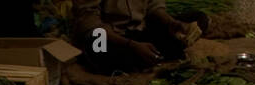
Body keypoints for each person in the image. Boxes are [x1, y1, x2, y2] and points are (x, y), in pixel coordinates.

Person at [71, 0, 204, 74]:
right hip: (109, 37)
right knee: (97, 48)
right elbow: (91, 25)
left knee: (198, 18)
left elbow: (154, 6)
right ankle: (145, 57)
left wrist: (171, 23)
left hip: (139, 32)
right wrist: (132, 45)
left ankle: (146, 56)